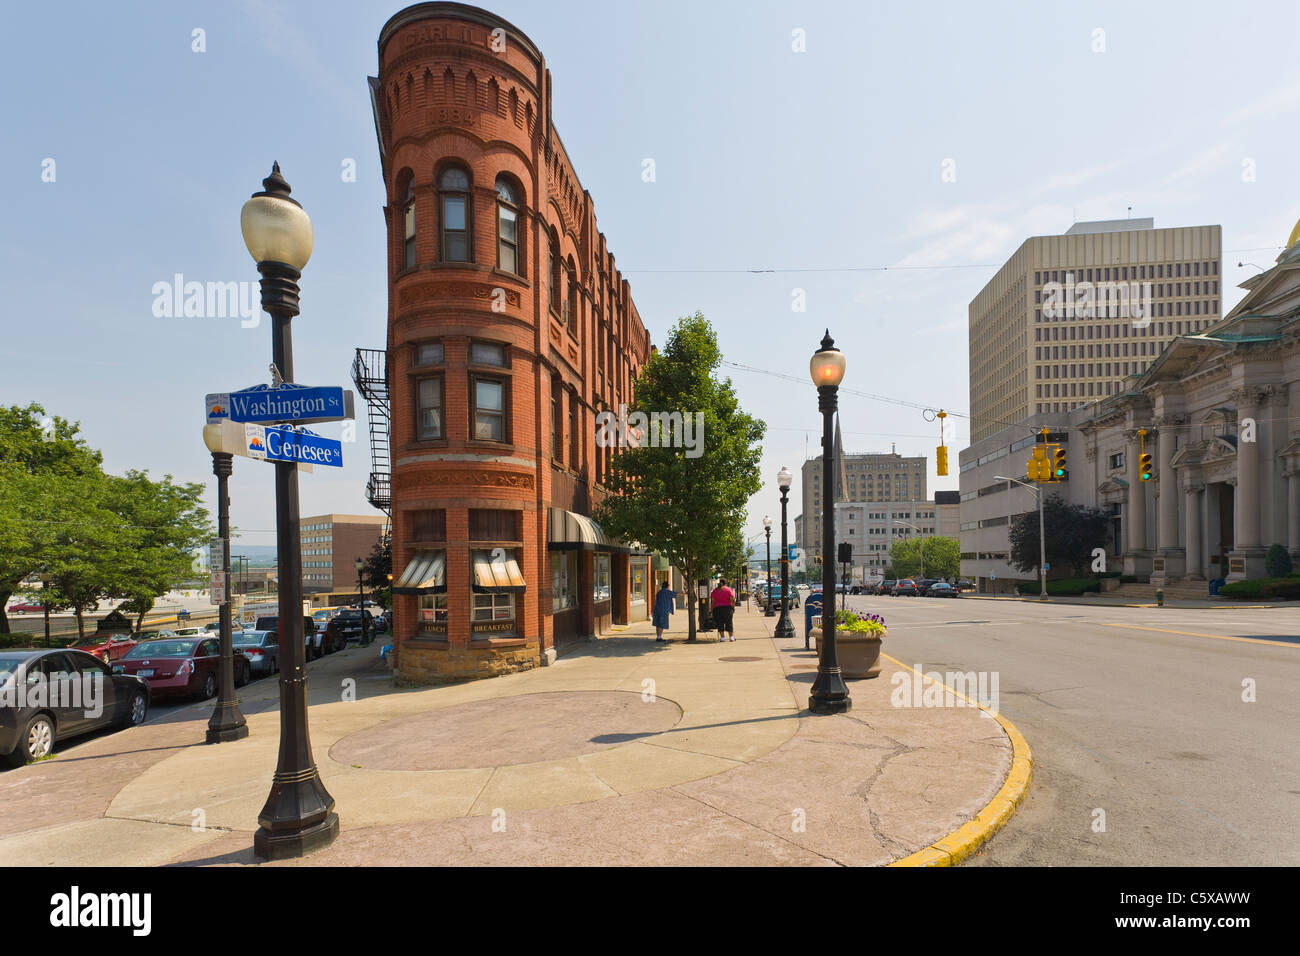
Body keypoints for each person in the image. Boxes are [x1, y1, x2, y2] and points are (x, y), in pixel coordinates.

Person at [710, 577, 736, 642]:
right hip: (727, 608)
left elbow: (712, 602)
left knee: (720, 623)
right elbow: (732, 599)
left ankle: (722, 638)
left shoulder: (715, 591)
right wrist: (733, 607)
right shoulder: (728, 590)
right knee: (729, 622)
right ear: (725, 583)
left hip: (717, 609)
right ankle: (731, 637)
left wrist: (711, 610)